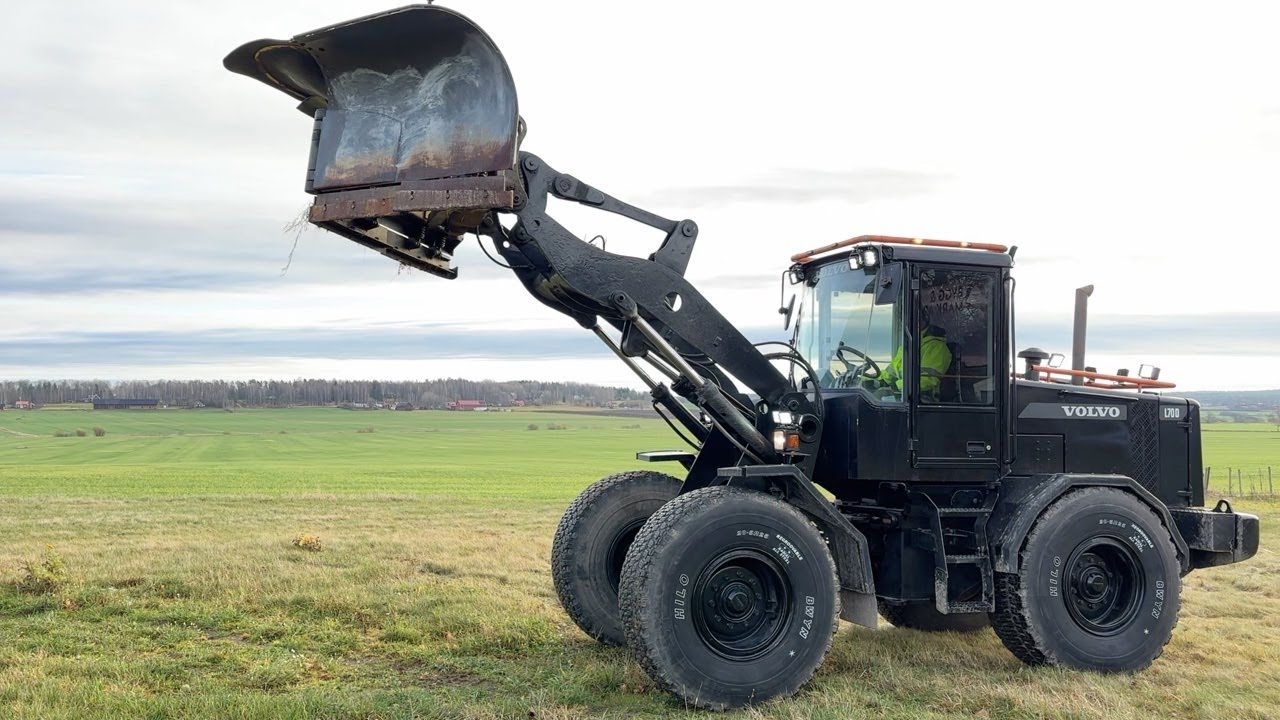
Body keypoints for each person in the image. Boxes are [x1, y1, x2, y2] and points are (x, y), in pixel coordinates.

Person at [880, 325, 952, 401]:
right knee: (878, 395)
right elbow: (890, 374)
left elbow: (928, 381)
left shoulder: (937, 347)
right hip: (904, 393)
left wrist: (899, 386)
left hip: (924, 399)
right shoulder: (907, 346)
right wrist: (873, 379)